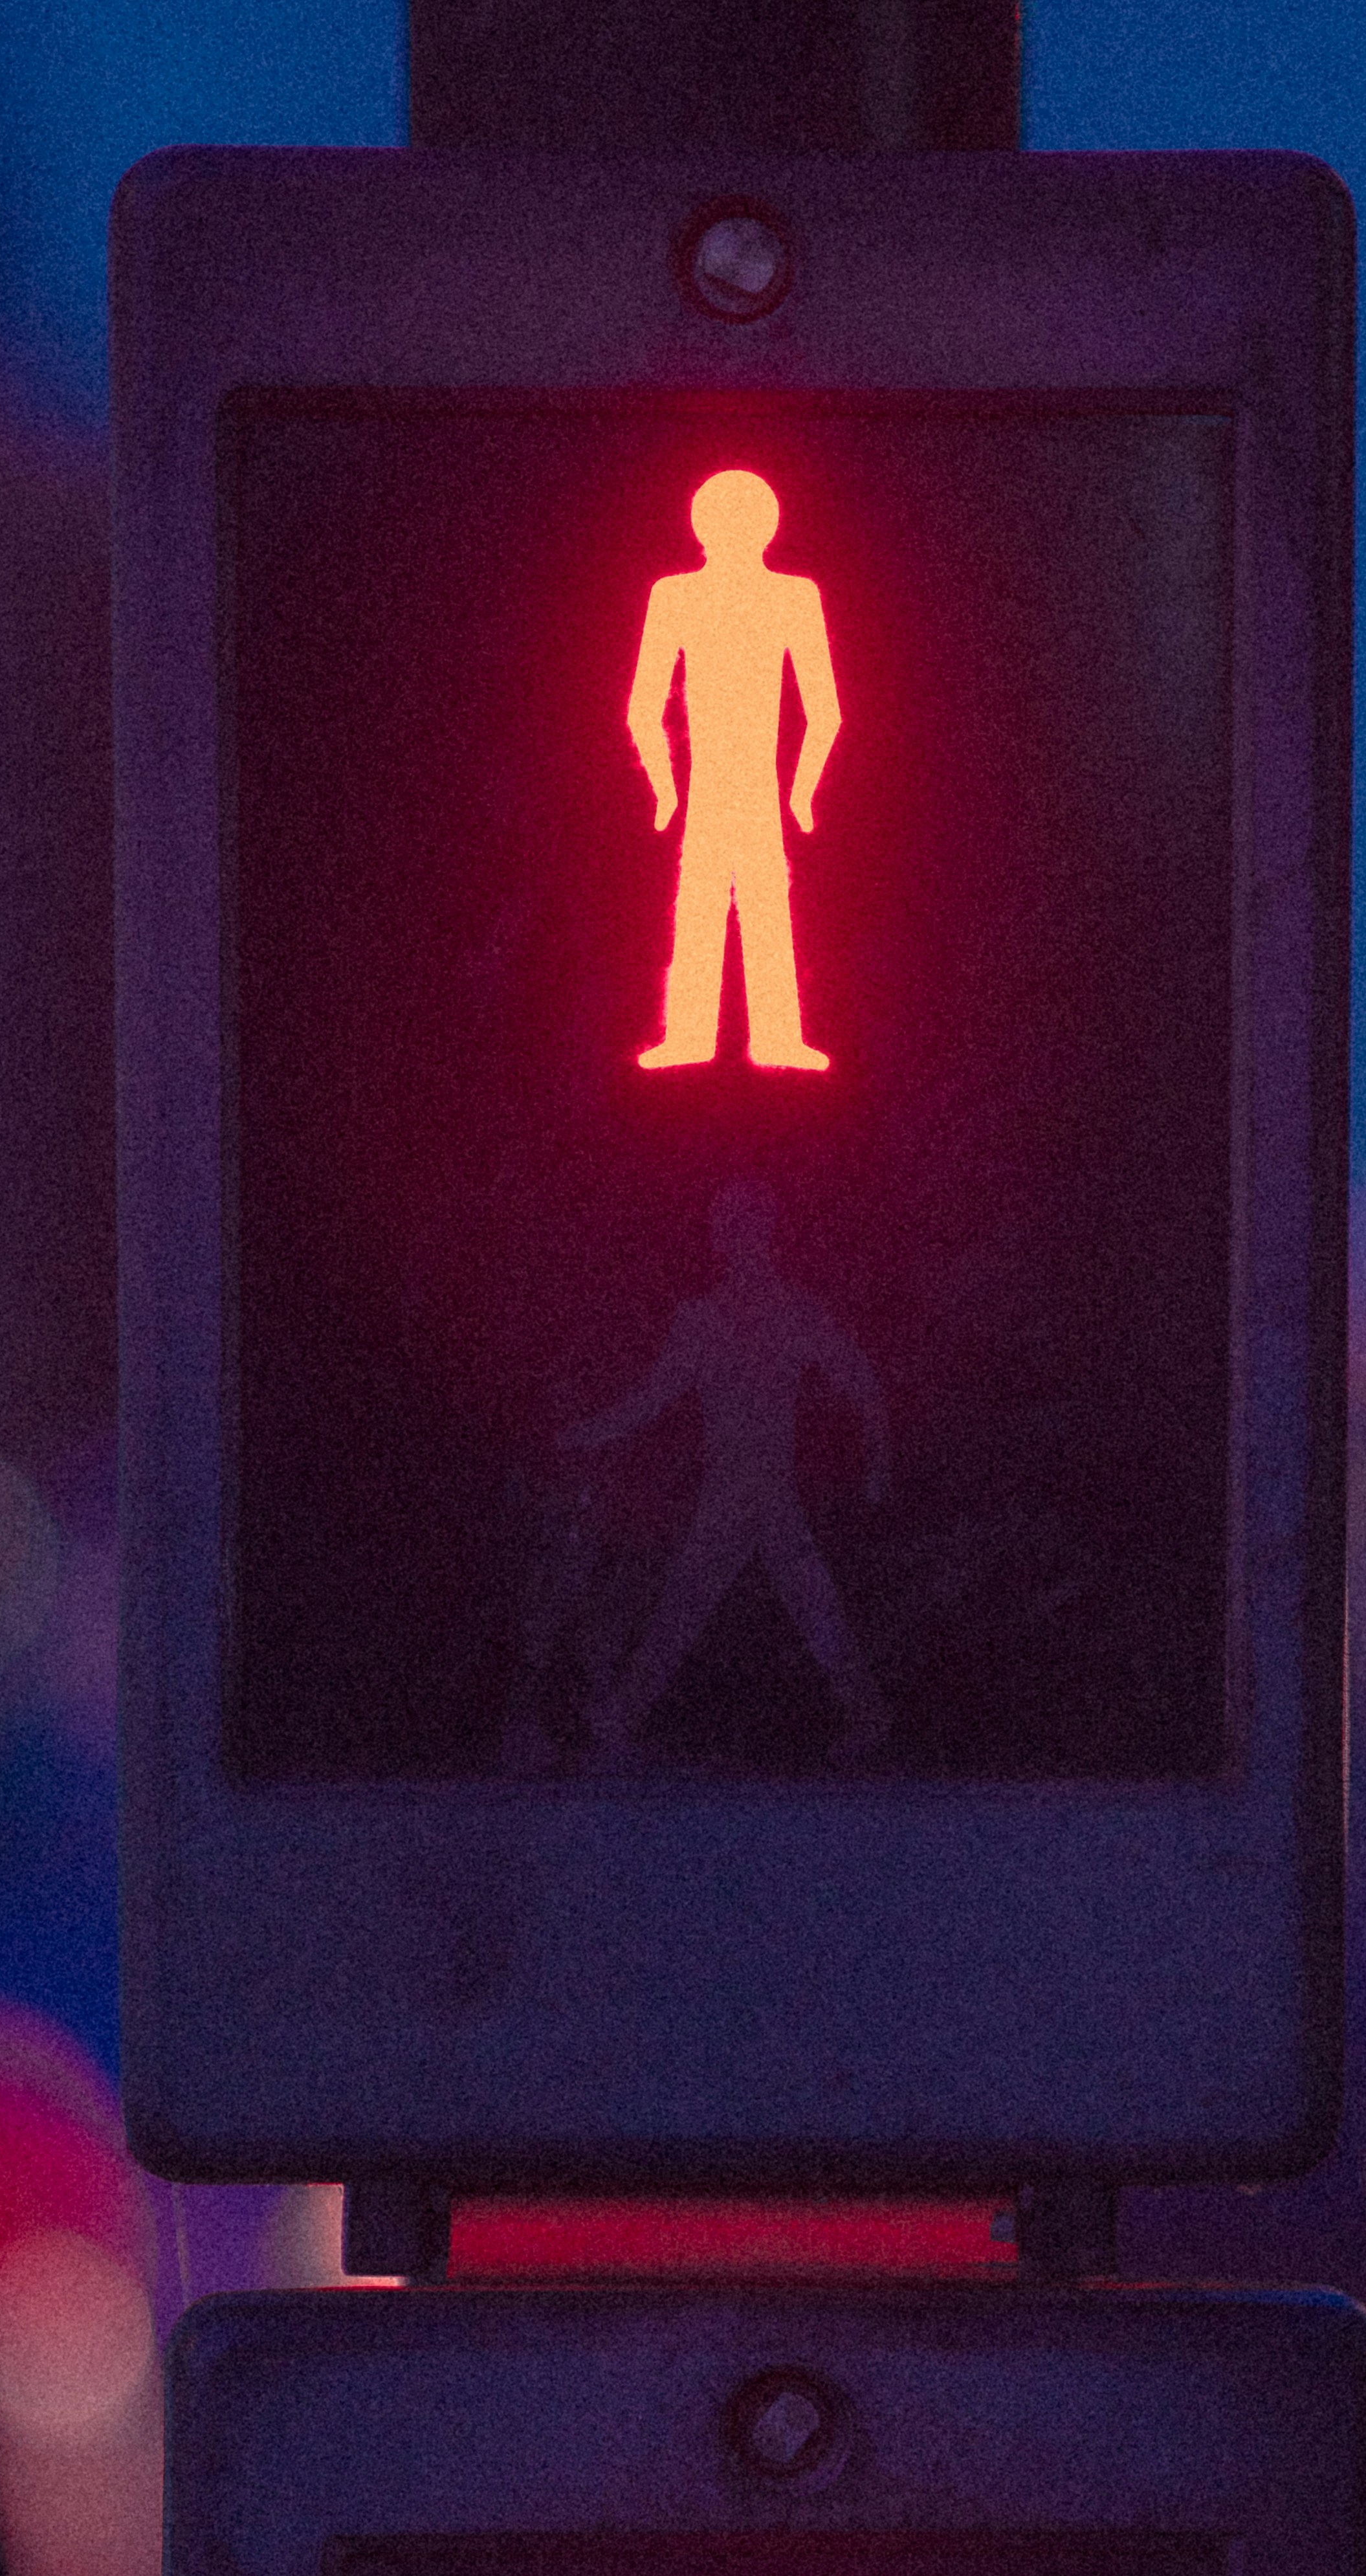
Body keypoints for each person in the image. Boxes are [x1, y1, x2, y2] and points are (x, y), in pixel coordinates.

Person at [562, 1179, 890, 1759]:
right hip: (739, 1490)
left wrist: (877, 1462)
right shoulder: (710, 1318)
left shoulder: (788, 1314)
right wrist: (590, 1432)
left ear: (750, 1236)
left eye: (732, 1227)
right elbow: (654, 1397)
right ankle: (866, 1717)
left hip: (759, 1490)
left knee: (719, 1607)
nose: (727, 1239)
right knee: (722, 1607)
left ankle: (618, 1721)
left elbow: (861, 1380)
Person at [627, 472, 839, 1071]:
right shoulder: (778, 597)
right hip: (749, 789)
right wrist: (800, 793)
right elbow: (826, 712)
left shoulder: (684, 596)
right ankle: (758, 1038)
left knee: (715, 896)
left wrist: (667, 791)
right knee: (756, 898)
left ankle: (709, 1038)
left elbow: (643, 709)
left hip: (721, 788)